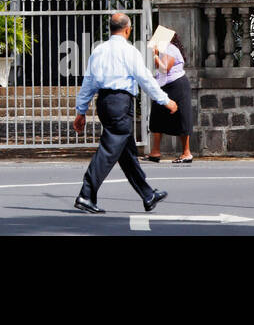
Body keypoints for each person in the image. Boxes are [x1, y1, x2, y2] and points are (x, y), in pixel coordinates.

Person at [72, 12, 178, 214]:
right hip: (120, 103)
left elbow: (89, 82)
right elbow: (145, 79)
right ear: (128, 30)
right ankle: (86, 194)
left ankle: (148, 194)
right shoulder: (130, 52)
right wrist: (166, 101)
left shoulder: (99, 51)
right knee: (109, 149)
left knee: (126, 152)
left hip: (104, 102)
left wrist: (81, 111)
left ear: (110, 29)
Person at [144, 33, 193, 164]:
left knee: (181, 117)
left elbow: (164, 69)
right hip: (166, 86)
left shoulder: (170, 49)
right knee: (157, 114)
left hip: (177, 85)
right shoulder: (165, 50)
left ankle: (186, 153)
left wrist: (154, 55)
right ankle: (155, 152)